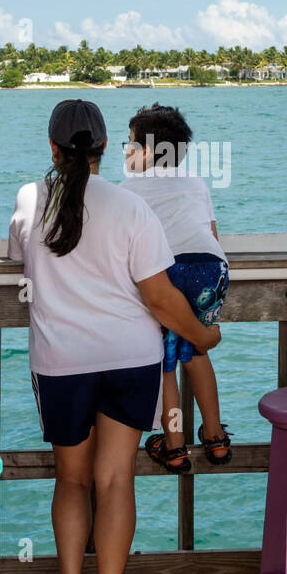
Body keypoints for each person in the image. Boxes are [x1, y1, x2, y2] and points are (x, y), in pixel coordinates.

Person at [8, 99, 221, 574]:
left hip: (62, 362)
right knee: (115, 481)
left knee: (72, 481)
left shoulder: (30, 197)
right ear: (104, 146)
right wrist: (203, 336)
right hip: (131, 359)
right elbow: (159, 297)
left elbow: (20, 252)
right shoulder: (131, 205)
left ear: (52, 147)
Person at [120, 104, 231, 473]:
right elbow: (211, 235)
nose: (126, 151)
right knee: (197, 350)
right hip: (211, 268)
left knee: (166, 365)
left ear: (148, 151)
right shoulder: (196, 183)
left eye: (131, 143)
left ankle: (175, 445)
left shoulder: (128, 191)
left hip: (167, 271)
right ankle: (215, 438)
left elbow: (127, 247)